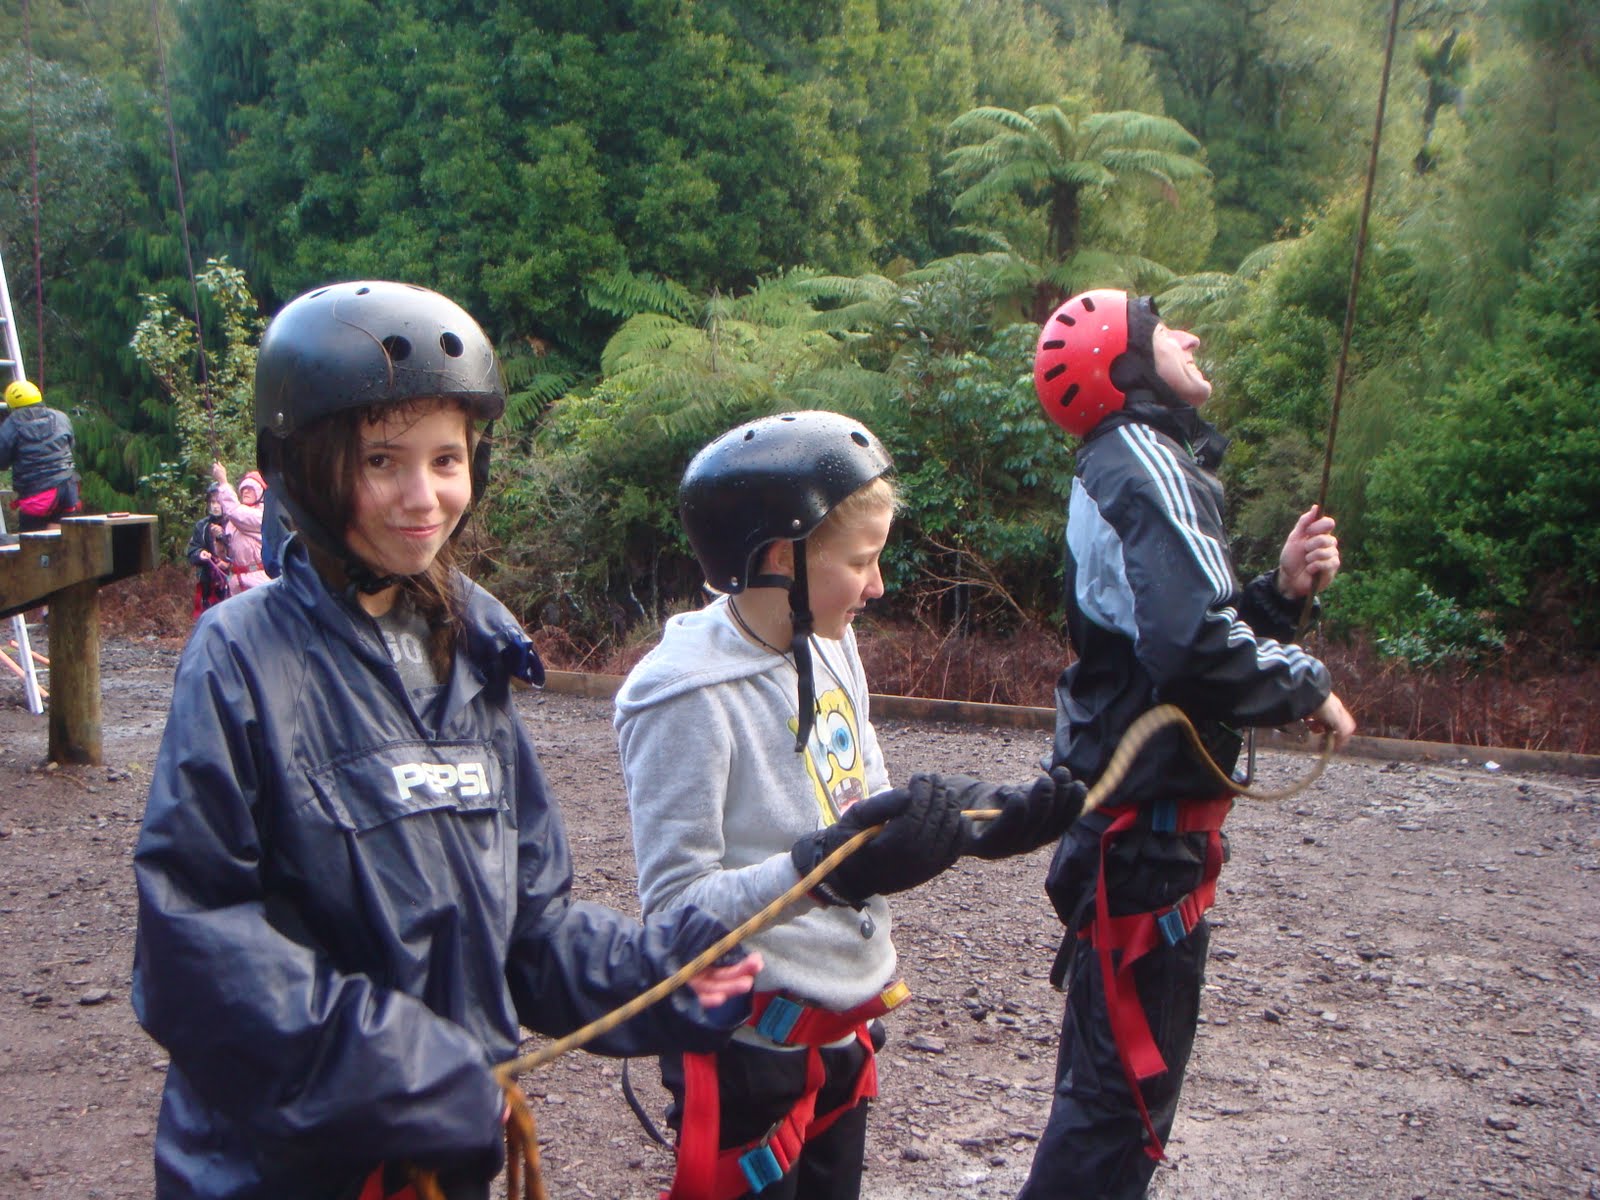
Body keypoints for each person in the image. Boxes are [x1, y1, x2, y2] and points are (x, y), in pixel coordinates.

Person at [132, 280, 761, 1200]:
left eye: (447, 459)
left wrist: (659, 979)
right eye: (381, 459)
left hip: (449, 1162)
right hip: (284, 1174)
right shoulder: (239, 658)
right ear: (307, 466)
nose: (421, 498)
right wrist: (403, 1065)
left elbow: (529, 928)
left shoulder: (471, 652)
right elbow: (196, 943)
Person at [615, 410, 1084, 1200]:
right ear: (775, 560)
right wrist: (825, 872)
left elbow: (858, 797)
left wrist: (980, 819)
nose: (877, 587)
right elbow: (675, 911)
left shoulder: (832, 640)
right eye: (862, 562)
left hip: (843, 1026)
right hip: (749, 1049)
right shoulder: (680, 697)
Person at [1018, 289, 1357, 1198]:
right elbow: (1192, 647)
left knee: (1113, 1099)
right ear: (1122, 366)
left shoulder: (1127, 463)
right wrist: (1306, 682)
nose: (1193, 338)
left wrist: (1277, 598)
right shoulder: (1142, 459)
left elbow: (1164, 644)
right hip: (1145, 842)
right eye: (1167, 332)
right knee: (1118, 1108)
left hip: (1140, 839)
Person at [0, 379, 81, 531]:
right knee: (58, 539)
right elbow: (70, 446)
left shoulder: (12, 423)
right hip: (68, 490)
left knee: (33, 544)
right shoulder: (60, 417)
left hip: (39, 494)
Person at [210, 462, 272, 594]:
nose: (246, 491)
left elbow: (233, 510)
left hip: (257, 579)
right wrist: (220, 541)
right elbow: (226, 555)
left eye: (251, 488)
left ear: (260, 493)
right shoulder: (233, 522)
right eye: (243, 488)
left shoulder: (262, 515)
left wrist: (223, 482)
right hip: (236, 580)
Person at [184, 482, 232, 617]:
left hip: (232, 581)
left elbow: (241, 551)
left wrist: (222, 537)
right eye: (212, 501)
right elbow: (192, 550)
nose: (215, 505)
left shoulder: (235, 522)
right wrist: (200, 554)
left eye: (219, 501)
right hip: (209, 583)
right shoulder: (202, 525)